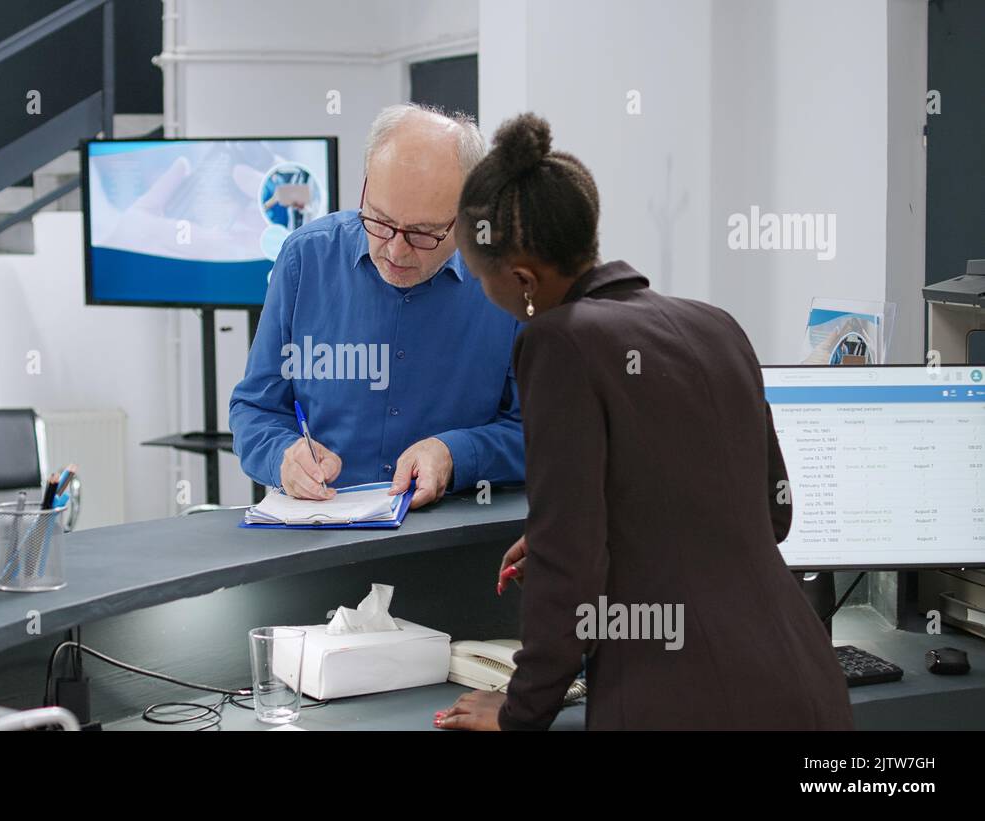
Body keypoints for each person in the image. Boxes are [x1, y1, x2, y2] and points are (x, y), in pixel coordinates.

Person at [436, 113, 853, 730]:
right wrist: (608, 539)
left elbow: (571, 570)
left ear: (522, 280)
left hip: (687, 700)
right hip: (806, 683)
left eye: (481, 278)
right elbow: (774, 512)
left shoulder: (556, 342)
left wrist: (519, 711)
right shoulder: (716, 324)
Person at [229, 104, 525, 508]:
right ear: (366, 188)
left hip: (455, 543)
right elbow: (255, 408)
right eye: (380, 221)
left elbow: (544, 433)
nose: (395, 250)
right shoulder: (305, 260)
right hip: (319, 544)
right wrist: (282, 456)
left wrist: (455, 454)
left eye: (422, 233)